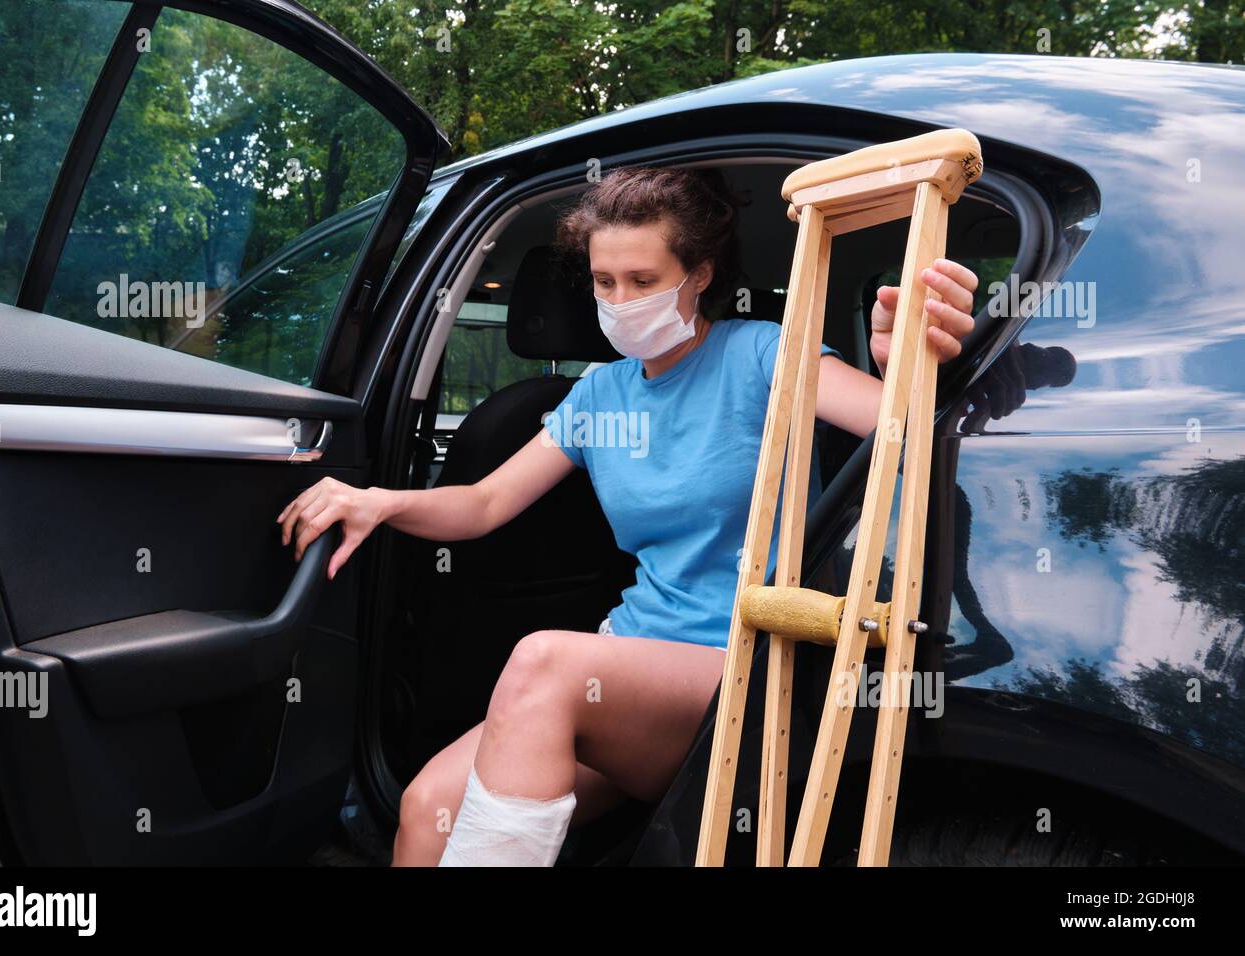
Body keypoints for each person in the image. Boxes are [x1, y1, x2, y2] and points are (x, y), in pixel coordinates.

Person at [276, 166, 979, 866]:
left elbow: (904, 428)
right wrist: (378, 500)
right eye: (603, 282)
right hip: (631, 666)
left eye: (642, 281)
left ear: (699, 273)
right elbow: (485, 502)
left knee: (543, 662)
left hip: (745, 662)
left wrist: (901, 365)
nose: (619, 301)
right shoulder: (598, 395)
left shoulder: (764, 352)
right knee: (427, 809)